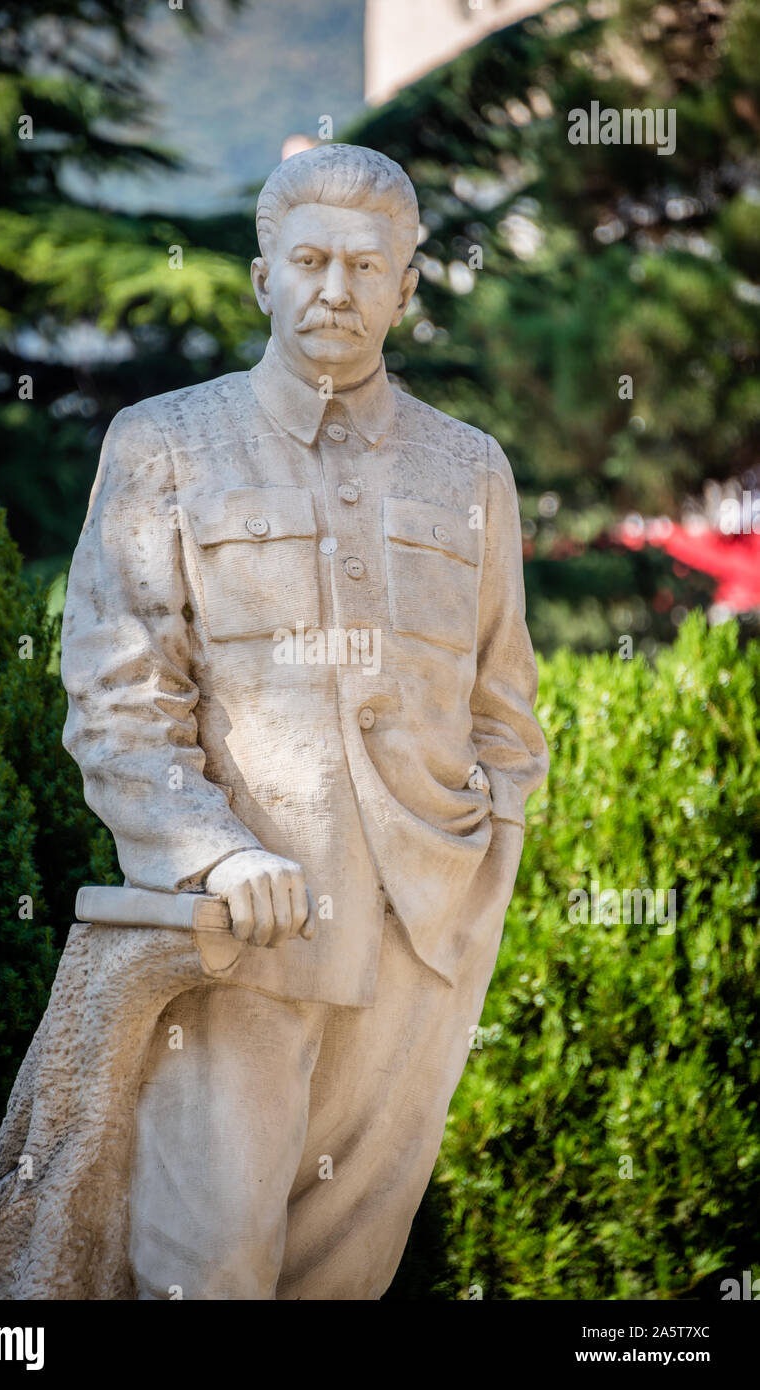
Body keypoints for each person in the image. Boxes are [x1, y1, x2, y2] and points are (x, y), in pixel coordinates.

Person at [58, 142, 548, 1300]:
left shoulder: (472, 469)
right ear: (261, 277)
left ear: (406, 288)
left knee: (346, 1277)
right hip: (244, 938)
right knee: (210, 1264)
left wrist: (483, 872)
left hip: (421, 940)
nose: (337, 287)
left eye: (366, 265)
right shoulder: (164, 442)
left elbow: (504, 707)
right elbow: (120, 691)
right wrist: (210, 852)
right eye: (311, 260)